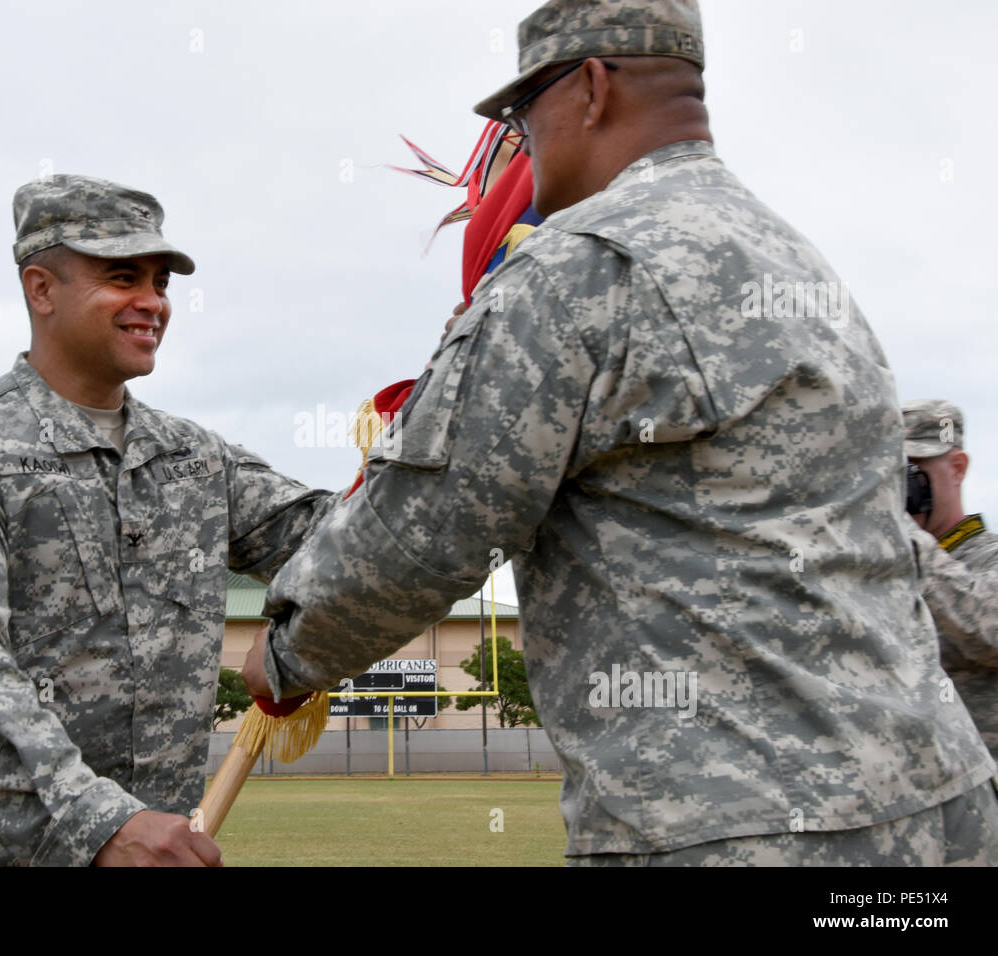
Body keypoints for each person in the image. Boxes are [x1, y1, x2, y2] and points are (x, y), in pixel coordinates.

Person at [243, 0, 998, 865]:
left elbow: (425, 531)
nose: (519, 146)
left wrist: (291, 651)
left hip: (737, 822)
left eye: (523, 115)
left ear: (592, 87)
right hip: (940, 805)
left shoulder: (581, 266)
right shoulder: (799, 265)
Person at [0, 174, 336, 866]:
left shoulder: (196, 461)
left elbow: (344, 544)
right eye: (122, 277)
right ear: (41, 289)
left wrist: (445, 430)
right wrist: (100, 826)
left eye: (161, 282)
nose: (152, 303)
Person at [903, 399, 998, 759]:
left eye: (911, 472)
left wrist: (901, 538)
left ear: (957, 468)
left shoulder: (987, 557)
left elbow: (989, 631)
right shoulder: (873, 570)